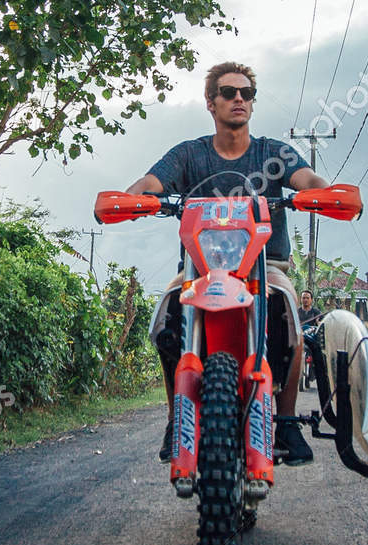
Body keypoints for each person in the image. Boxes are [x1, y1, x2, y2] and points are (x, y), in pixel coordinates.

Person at [126, 62, 327, 463]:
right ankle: (175, 420)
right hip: (199, 269)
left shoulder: (274, 152)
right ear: (211, 102)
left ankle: (285, 421)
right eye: (229, 92)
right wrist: (132, 199)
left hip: (267, 266)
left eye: (246, 94)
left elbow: (309, 181)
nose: (239, 99)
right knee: (168, 314)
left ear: (252, 104)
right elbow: (150, 183)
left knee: (288, 314)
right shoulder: (190, 154)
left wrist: (325, 194)